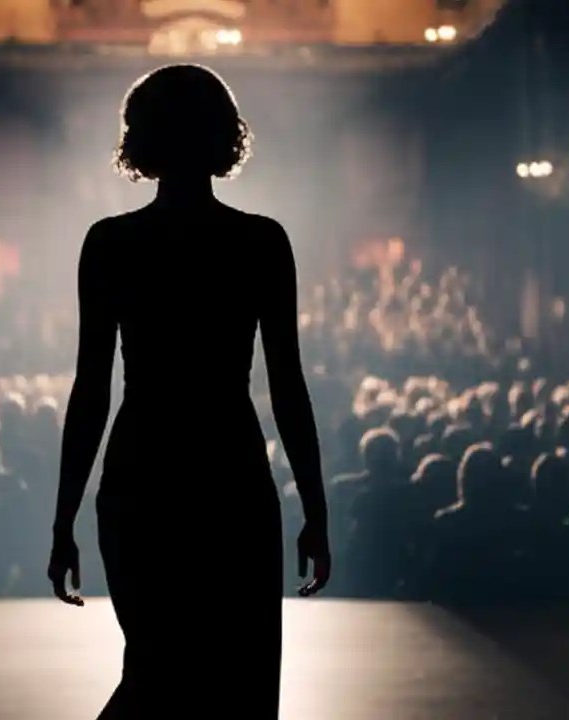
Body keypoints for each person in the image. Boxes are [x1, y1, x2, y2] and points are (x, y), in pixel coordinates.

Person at [46, 64, 331, 718]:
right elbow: (286, 385)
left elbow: (91, 389)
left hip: (141, 469)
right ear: (225, 138)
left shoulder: (111, 243)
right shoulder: (261, 242)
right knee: (237, 679)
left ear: (140, 140)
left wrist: (64, 519)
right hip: (229, 472)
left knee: (156, 669)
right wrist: (315, 506)